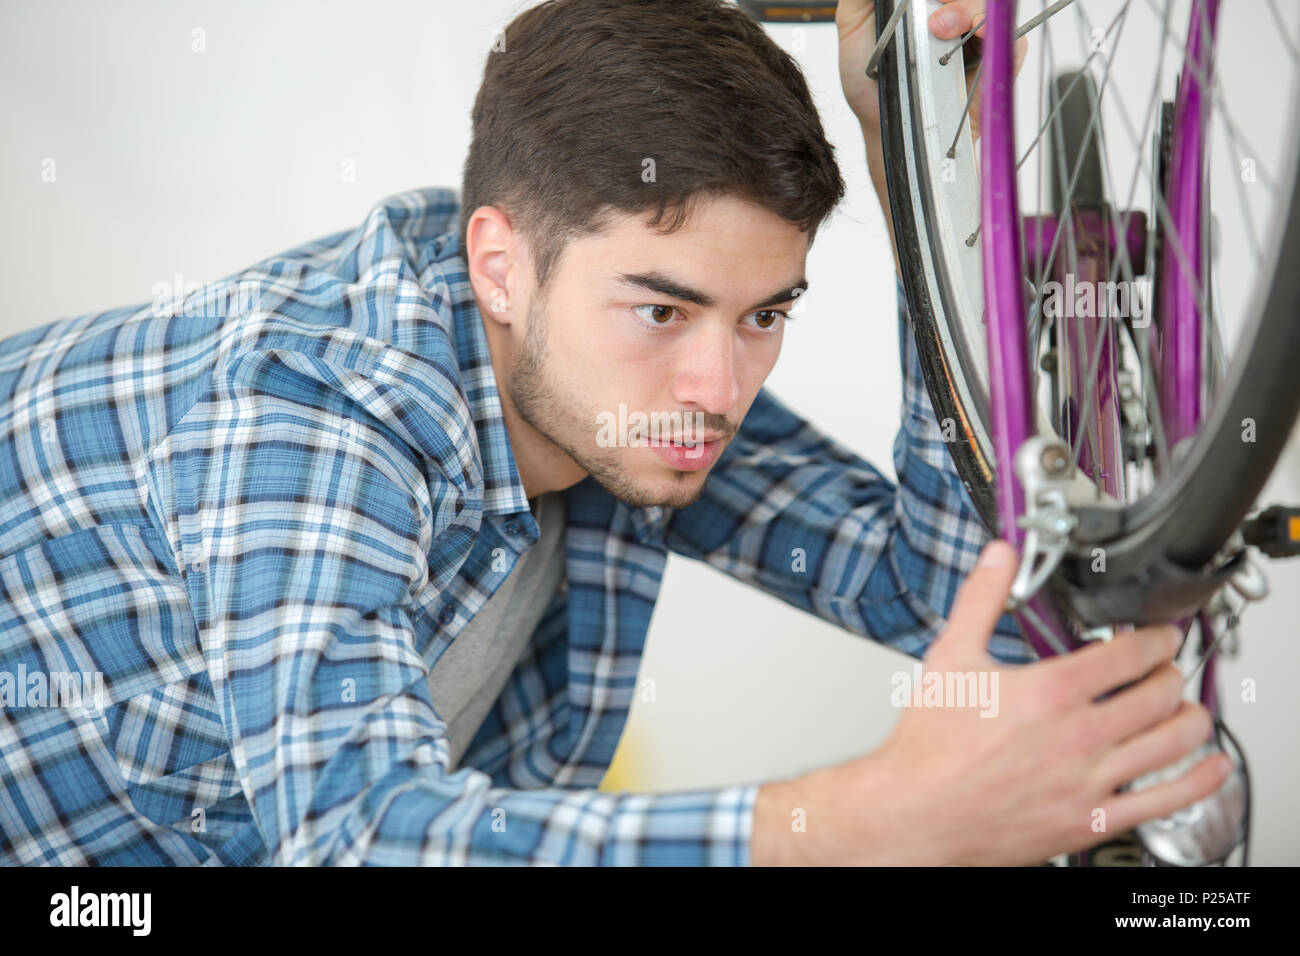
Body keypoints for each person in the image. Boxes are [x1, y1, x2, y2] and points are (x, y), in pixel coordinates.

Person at [0, 0, 1230, 866]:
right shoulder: (314, 404)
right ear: (499, 262)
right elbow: (356, 835)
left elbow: (932, 587)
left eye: (766, 315)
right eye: (662, 307)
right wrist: (873, 817)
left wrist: (904, 143)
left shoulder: (617, 393)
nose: (717, 386)